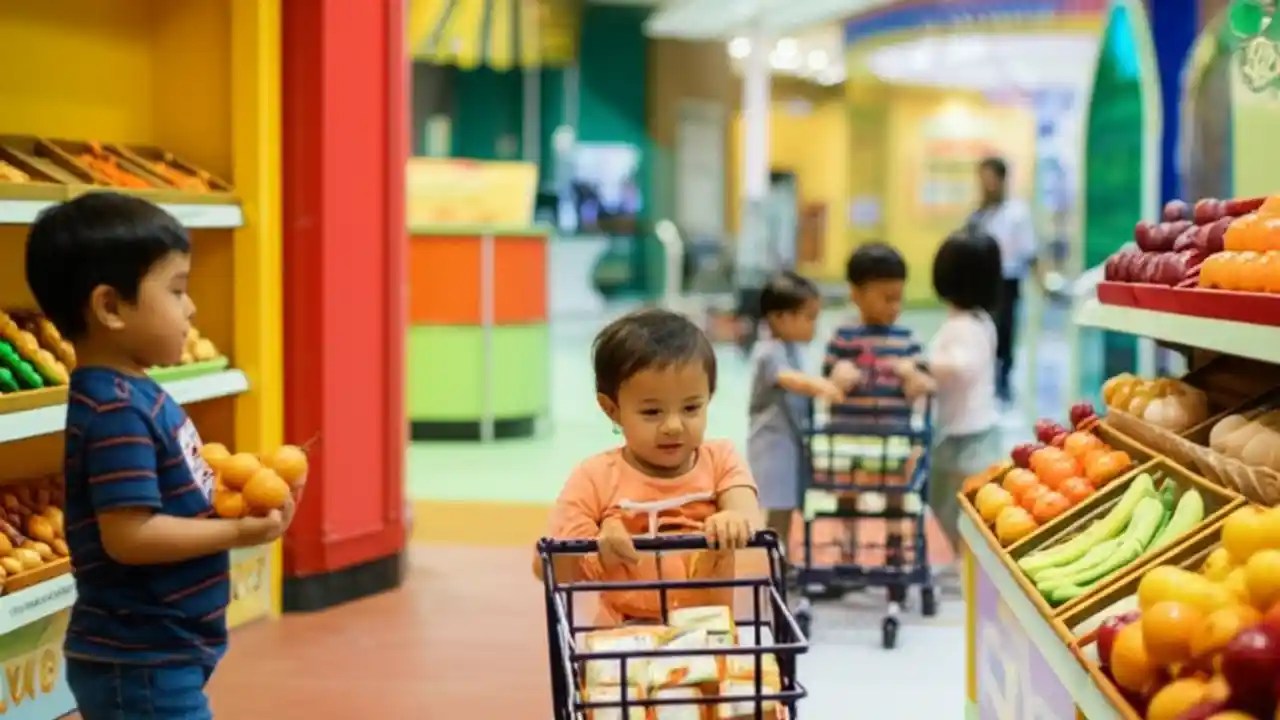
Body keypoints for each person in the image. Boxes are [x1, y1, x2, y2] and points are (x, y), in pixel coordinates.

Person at [24, 193, 296, 719]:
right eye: (177, 290)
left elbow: (168, 501)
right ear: (109, 308)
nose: (190, 307)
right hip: (139, 658)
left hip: (161, 647)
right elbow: (130, 537)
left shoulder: (136, 392)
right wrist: (239, 534)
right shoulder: (114, 411)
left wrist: (238, 497)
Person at [539, 309, 759, 622]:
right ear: (611, 409)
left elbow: (748, 517)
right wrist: (596, 544)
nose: (673, 426)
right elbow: (547, 568)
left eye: (691, 408)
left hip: (708, 635)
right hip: (623, 640)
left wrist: (732, 520)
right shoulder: (594, 478)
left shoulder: (720, 459)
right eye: (652, 412)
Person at [821, 243, 933, 569]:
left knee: (896, 490)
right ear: (856, 294)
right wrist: (838, 377)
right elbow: (827, 382)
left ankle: (895, 546)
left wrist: (912, 376)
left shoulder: (907, 338)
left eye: (899, 297)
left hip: (892, 436)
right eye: (886, 298)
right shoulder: (842, 337)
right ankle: (846, 551)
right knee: (846, 492)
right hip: (848, 435)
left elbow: (924, 385)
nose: (894, 306)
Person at [748, 272, 850, 548]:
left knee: (785, 506)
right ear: (781, 318)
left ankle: (779, 556)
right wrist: (824, 387)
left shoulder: (791, 348)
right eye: (809, 318)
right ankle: (767, 558)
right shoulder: (768, 350)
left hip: (790, 441)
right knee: (771, 504)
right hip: (771, 444)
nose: (814, 326)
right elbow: (788, 379)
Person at [927, 227, 1004, 554]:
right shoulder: (980, 320)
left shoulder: (963, 326)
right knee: (961, 512)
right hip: (970, 434)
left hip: (965, 440)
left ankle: (969, 572)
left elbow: (960, 367)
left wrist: (920, 368)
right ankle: (967, 567)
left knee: (955, 510)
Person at [969, 156, 1038, 404]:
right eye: (982, 179)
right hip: (981, 281)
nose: (986, 185)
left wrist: (1042, 284)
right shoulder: (979, 215)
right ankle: (984, 380)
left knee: (1005, 332)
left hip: (1007, 280)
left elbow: (1029, 252)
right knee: (981, 331)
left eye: (990, 179)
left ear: (1002, 179)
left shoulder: (1017, 213)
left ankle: (1004, 381)